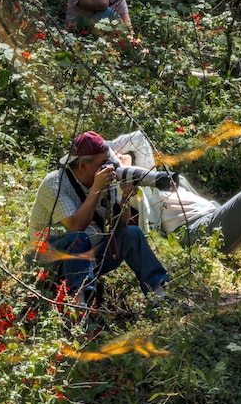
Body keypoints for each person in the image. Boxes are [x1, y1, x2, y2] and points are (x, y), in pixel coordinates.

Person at [28, 131, 170, 306]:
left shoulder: (104, 180)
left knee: (132, 233)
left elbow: (120, 226)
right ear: (82, 165)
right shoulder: (55, 184)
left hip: (89, 256)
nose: (108, 167)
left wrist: (125, 199)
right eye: (102, 163)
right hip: (49, 258)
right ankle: (79, 307)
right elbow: (76, 226)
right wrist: (96, 189)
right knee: (78, 238)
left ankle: (158, 296)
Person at [109, 150, 241, 271]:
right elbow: (122, 178)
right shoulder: (126, 184)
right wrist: (123, 165)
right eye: (115, 154)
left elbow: (138, 140)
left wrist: (126, 158)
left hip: (211, 216)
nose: (120, 152)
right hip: (193, 231)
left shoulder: (149, 172)